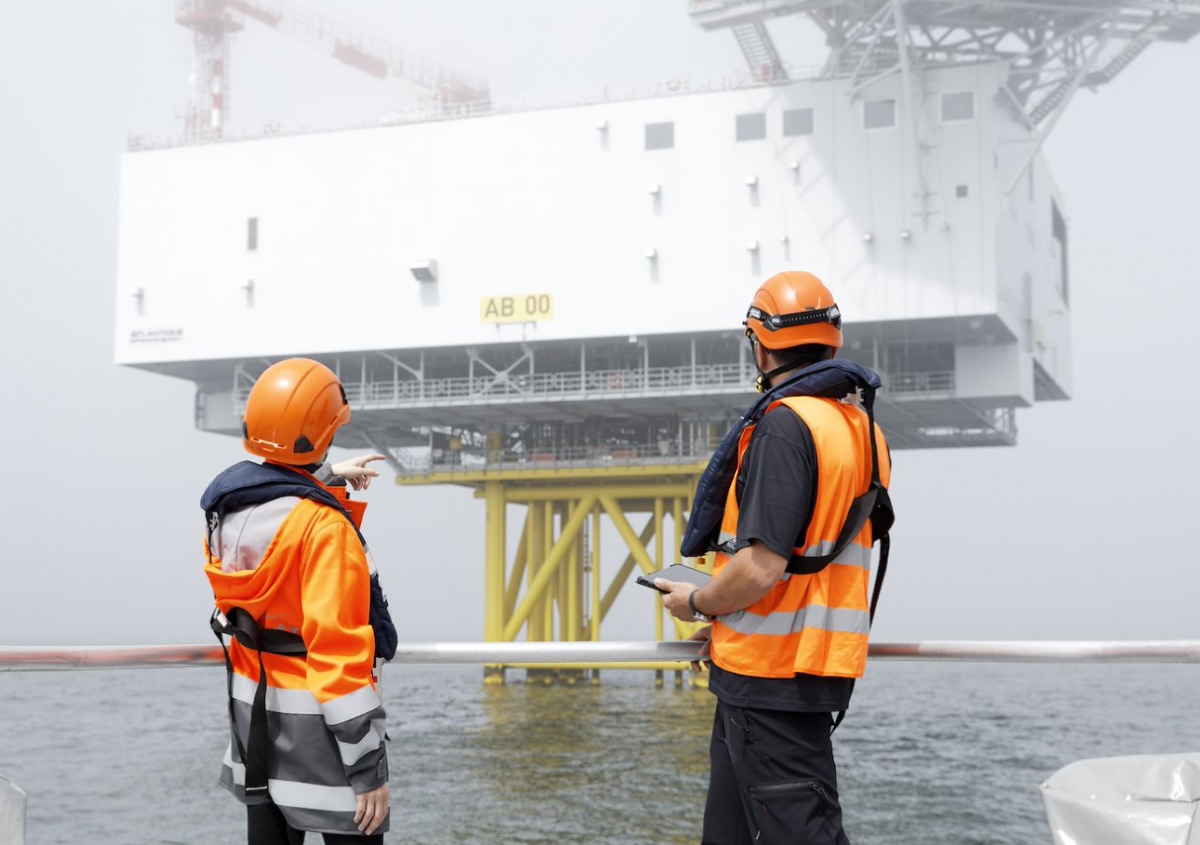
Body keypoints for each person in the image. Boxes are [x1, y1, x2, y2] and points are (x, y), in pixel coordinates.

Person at [656, 271, 892, 844]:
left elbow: (763, 566)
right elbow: (820, 556)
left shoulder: (785, 427)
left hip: (773, 679)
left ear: (759, 343)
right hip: (798, 665)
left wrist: (698, 601)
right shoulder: (860, 428)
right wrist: (726, 623)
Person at [202, 357, 396, 843]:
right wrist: (367, 766)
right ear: (326, 432)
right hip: (323, 745)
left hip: (258, 736)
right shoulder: (325, 528)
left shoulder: (224, 516)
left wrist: (323, 476)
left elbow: (276, 503)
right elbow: (337, 655)